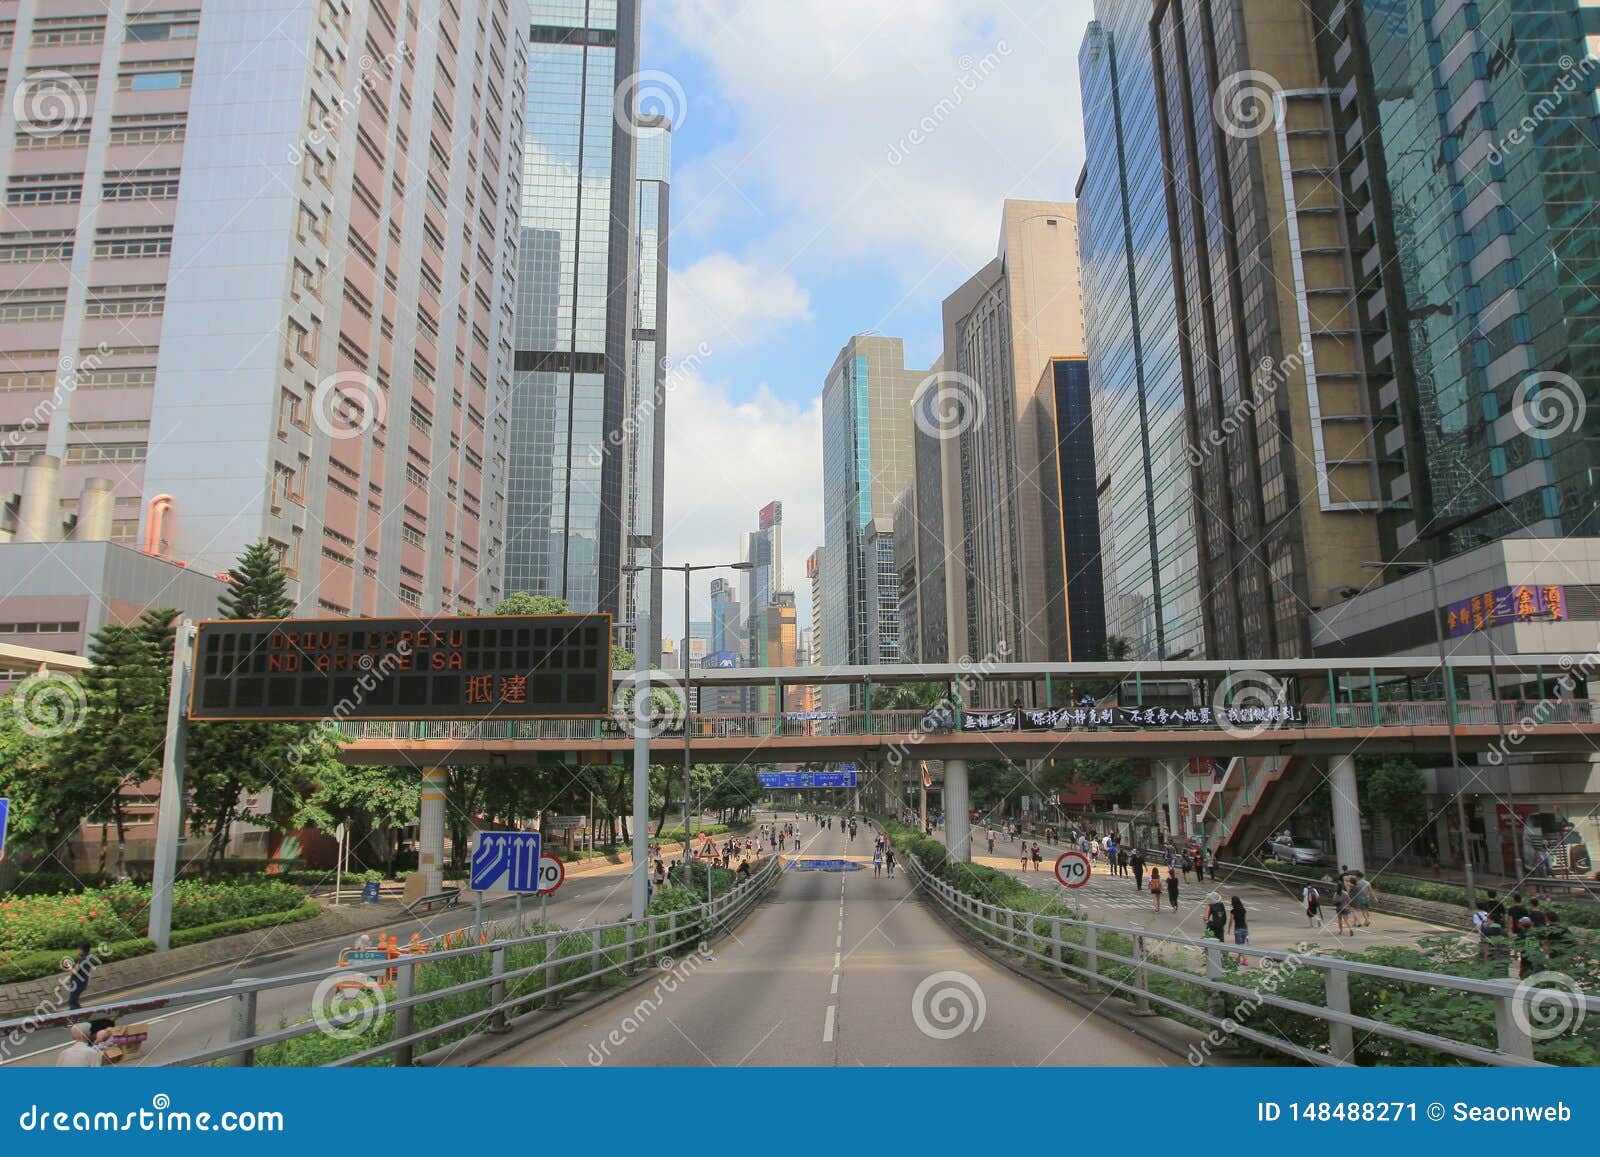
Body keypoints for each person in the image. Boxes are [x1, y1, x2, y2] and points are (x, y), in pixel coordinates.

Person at [66, 943, 93, 1011]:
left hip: (77, 984)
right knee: (74, 1001)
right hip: (80, 983)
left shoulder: (83, 959)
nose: (77, 950)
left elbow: (75, 971)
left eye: (78, 949)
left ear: (82, 950)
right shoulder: (87, 957)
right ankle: (81, 1014)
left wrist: (68, 966)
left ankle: (76, 1016)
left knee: (72, 1002)